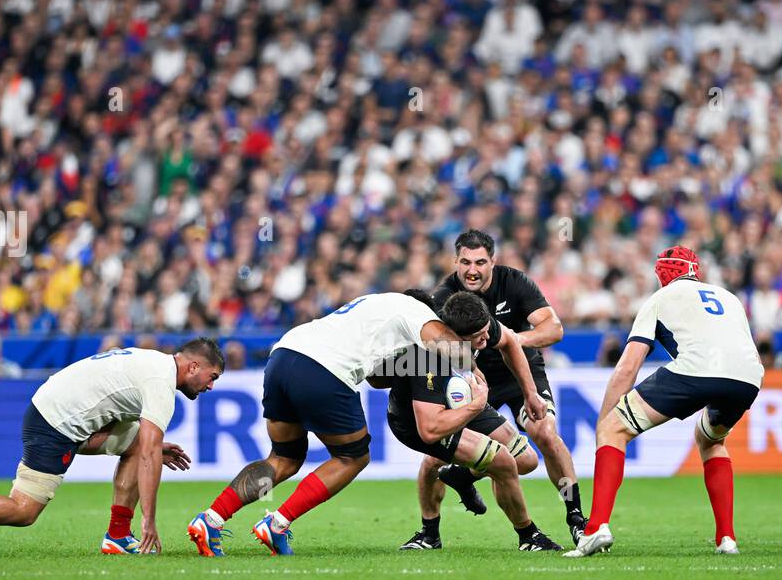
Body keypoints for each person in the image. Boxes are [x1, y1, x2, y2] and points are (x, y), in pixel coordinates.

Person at [187, 290, 547, 556]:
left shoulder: (383, 304)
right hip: (325, 369)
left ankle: (212, 518)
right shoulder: (422, 318)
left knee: (283, 457)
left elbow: (377, 377)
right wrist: (471, 374)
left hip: (284, 355)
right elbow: (445, 345)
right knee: (353, 457)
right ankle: (277, 522)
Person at [0, 339, 225, 557]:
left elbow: (144, 446)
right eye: (212, 377)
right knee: (23, 510)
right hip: (55, 420)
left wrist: (151, 449)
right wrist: (150, 520)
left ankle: (117, 535)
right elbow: (148, 454)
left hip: (56, 405)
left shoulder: (153, 361)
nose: (211, 386)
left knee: (143, 447)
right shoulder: (161, 383)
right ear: (194, 366)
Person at [568, 246, 764, 557]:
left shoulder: (659, 300)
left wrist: (606, 419)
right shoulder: (730, 298)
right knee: (711, 438)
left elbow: (627, 367)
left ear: (661, 274)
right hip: (748, 378)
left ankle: (596, 529)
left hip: (697, 371)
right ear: (695, 270)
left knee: (612, 431)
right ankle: (727, 538)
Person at [430, 229, 589, 544]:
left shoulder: (514, 282)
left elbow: (554, 329)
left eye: (479, 262)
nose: (471, 270)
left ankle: (576, 516)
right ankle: (429, 533)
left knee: (545, 432)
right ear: (456, 262)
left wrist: (513, 340)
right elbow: (438, 347)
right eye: (465, 262)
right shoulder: (445, 295)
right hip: (472, 381)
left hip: (520, 374)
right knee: (435, 457)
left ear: (493, 261)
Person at [379, 290, 561, 552]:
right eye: (478, 338)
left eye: (487, 331)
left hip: (465, 401)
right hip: (420, 419)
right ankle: (524, 535)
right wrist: (476, 402)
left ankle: (461, 477)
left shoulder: (474, 321)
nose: (487, 339)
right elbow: (429, 430)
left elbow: (510, 341)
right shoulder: (427, 357)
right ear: (454, 337)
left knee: (526, 460)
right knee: (497, 462)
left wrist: (530, 393)